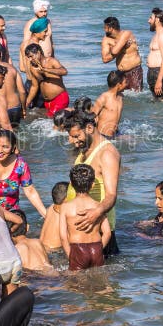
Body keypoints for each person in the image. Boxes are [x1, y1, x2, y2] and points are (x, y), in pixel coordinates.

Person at [63, 110, 121, 257]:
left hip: (98, 230)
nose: (73, 141)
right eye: (71, 137)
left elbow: (111, 195)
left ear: (89, 128)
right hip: (80, 231)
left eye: (76, 136)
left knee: (99, 277)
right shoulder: (85, 149)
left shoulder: (106, 154)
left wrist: (95, 213)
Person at [59, 164, 111, 271]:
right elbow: (107, 233)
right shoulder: (98, 206)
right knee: (99, 282)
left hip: (77, 249)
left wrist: (71, 256)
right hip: (96, 248)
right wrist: (99, 249)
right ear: (92, 185)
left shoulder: (65, 207)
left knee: (75, 285)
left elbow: (63, 237)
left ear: (71, 185)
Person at [24, 43, 69, 118]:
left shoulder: (51, 61)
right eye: (28, 57)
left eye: (31, 56)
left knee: (53, 122)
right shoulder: (33, 68)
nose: (30, 59)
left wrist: (45, 70)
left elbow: (64, 71)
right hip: (47, 102)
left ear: (38, 52)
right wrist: (26, 104)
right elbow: (34, 87)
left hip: (60, 98)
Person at [102, 17, 143, 92]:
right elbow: (105, 59)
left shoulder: (127, 34)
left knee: (136, 96)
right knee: (121, 97)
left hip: (134, 71)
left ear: (111, 28)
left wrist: (115, 48)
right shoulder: (106, 39)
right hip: (120, 73)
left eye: (105, 27)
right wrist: (122, 47)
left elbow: (114, 51)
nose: (103, 29)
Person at [93, 70, 127, 140]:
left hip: (115, 133)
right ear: (118, 85)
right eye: (125, 82)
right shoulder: (104, 97)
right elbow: (92, 116)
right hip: (103, 135)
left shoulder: (121, 97)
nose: (127, 85)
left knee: (137, 141)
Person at [147, 8, 163, 99]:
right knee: (156, 103)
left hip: (159, 73)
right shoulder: (157, 34)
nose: (148, 20)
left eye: (150, 18)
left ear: (157, 20)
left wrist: (159, 80)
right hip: (153, 72)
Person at [40, 181, 67, 253]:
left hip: (41, 246)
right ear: (66, 199)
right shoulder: (64, 212)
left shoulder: (50, 207)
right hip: (55, 251)